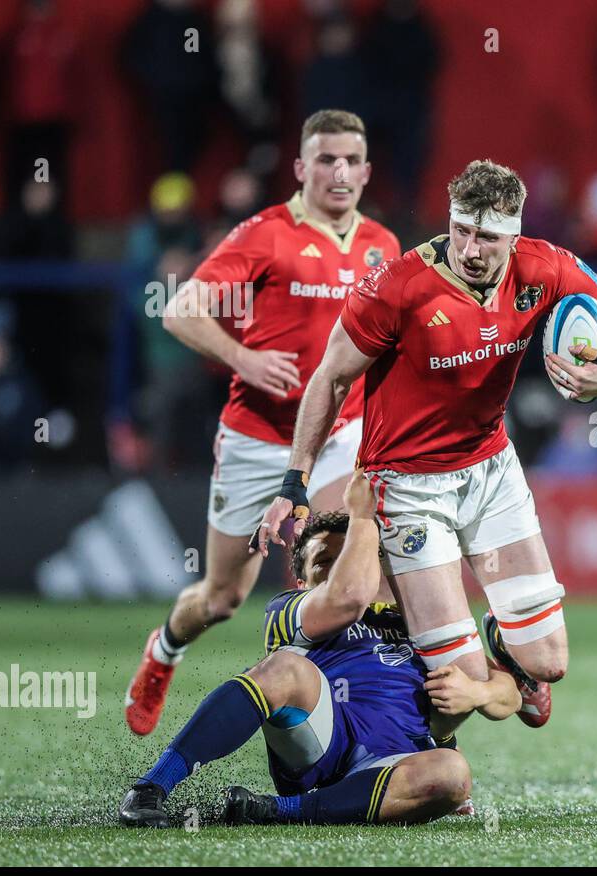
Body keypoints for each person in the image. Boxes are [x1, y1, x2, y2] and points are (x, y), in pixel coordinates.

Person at [254, 159, 597, 744]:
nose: (470, 248)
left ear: (514, 236)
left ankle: (504, 643)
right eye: (461, 231)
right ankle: (423, 759)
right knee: (460, 684)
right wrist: (295, 479)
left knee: (548, 663)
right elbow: (330, 380)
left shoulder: (544, 267)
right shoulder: (397, 287)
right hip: (408, 487)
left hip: (492, 472)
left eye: (488, 237)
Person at [125, 110, 400, 737]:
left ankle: (345, 719)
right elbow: (180, 310)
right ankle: (164, 650)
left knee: (342, 568)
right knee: (221, 598)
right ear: (301, 168)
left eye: (350, 160)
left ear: (366, 171)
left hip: (340, 436)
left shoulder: (383, 246)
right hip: (258, 439)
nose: (339, 171)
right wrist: (243, 356)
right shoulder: (265, 234)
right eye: (325, 159)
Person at [119, 471, 519, 828]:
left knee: (453, 773)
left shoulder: (417, 622)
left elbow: (507, 695)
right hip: (320, 745)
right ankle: (151, 787)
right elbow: (345, 597)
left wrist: (477, 692)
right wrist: (363, 516)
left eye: (348, 558)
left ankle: (279, 810)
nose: (336, 569)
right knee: (285, 668)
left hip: (392, 763)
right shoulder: (290, 609)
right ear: (300, 581)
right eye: (323, 561)